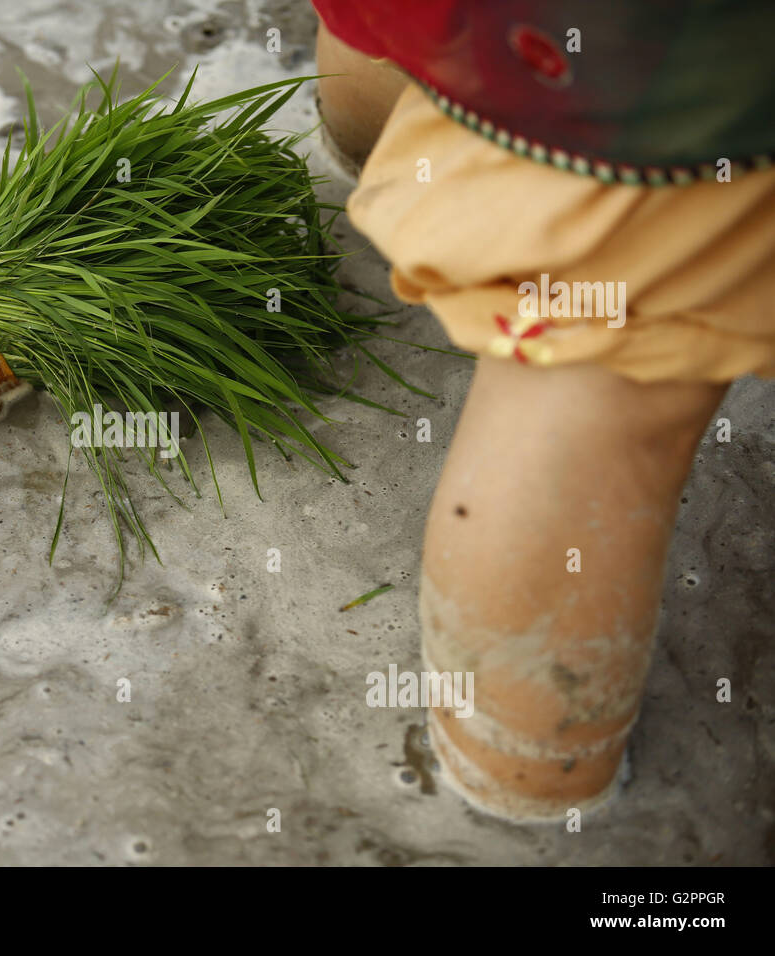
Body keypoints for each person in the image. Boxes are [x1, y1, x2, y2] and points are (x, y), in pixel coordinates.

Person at [312, 0, 775, 820]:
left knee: (417, 26)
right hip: (650, 64)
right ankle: (520, 788)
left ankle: (369, 154)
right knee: (610, 369)